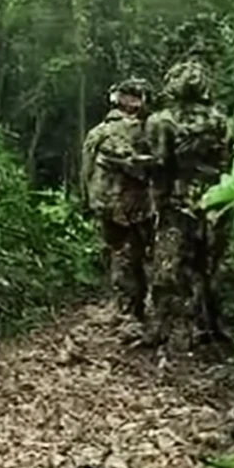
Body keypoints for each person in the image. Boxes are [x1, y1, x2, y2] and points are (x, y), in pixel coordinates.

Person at [145, 59, 233, 351]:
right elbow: (227, 163)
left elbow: (160, 166)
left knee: (169, 266)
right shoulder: (221, 120)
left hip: (177, 201)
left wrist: (156, 204)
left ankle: (165, 328)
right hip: (216, 200)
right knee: (209, 265)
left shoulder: (161, 121)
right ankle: (209, 327)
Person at [81, 78, 153, 322]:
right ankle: (135, 306)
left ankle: (125, 309)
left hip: (112, 203)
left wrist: (89, 200)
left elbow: (87, 170)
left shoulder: (101, 132)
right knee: (136, 254)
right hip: (140, 205)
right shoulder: (150, 131)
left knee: (120, 253)